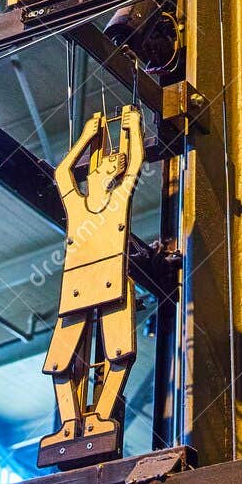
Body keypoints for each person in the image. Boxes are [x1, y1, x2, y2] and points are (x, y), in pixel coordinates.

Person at [40, 107, 145, 463]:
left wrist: (132, 129)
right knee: (58, 363)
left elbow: (134, 166)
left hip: (111, 282)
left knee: (118, 354)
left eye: (110, 169)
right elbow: (61, 172)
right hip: (77, 289)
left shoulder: (119, 201)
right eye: (101, 167)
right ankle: (69, 424)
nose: (105, 171)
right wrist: (87, 135)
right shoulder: (77, 208)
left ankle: (100, 418)